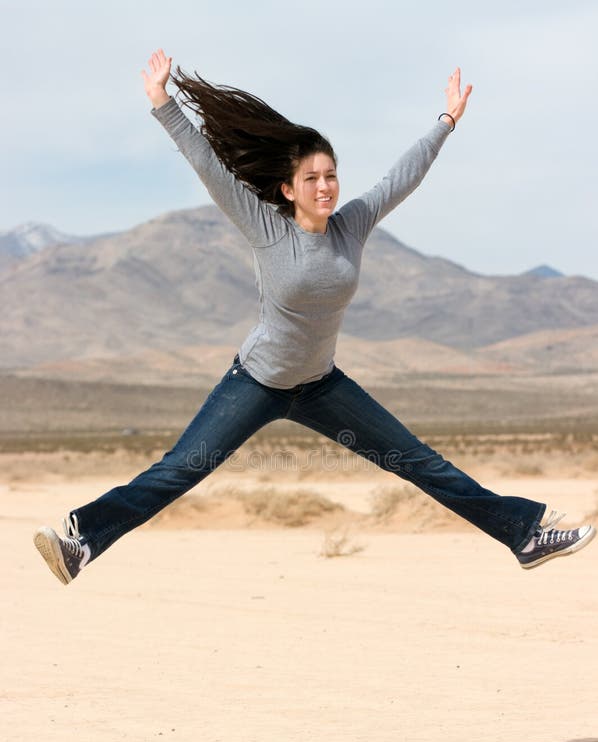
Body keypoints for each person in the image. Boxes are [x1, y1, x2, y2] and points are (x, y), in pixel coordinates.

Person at [33, 49, 595, 585]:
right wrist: (162, 103)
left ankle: (523, 535)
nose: (325, 186)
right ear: (289, 189)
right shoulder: (267, 228)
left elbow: (402, 176)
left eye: (331, 175)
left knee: (419, 462)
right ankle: (82, 542)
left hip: (322, 385)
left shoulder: (352, 224)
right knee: (183, 467)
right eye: (312, 179)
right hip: (256, 383)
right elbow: (208, 167)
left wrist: (446, 119)